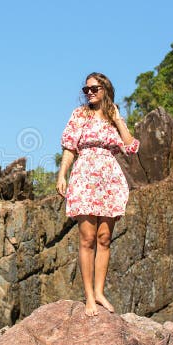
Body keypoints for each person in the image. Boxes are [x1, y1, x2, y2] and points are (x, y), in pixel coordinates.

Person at [56, 72, 139, 317]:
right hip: (84, 175)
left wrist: (118, 118)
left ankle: (100, 292)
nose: (89, 92)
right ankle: (89, 296)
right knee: (87, 237)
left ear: (105, 89)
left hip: (109, 178)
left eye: (94, 88)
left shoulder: (114, 118)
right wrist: (62, 174)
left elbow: (131, 149)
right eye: (86, 89)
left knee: (104, 237)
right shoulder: (80, 115)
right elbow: (70, 147)